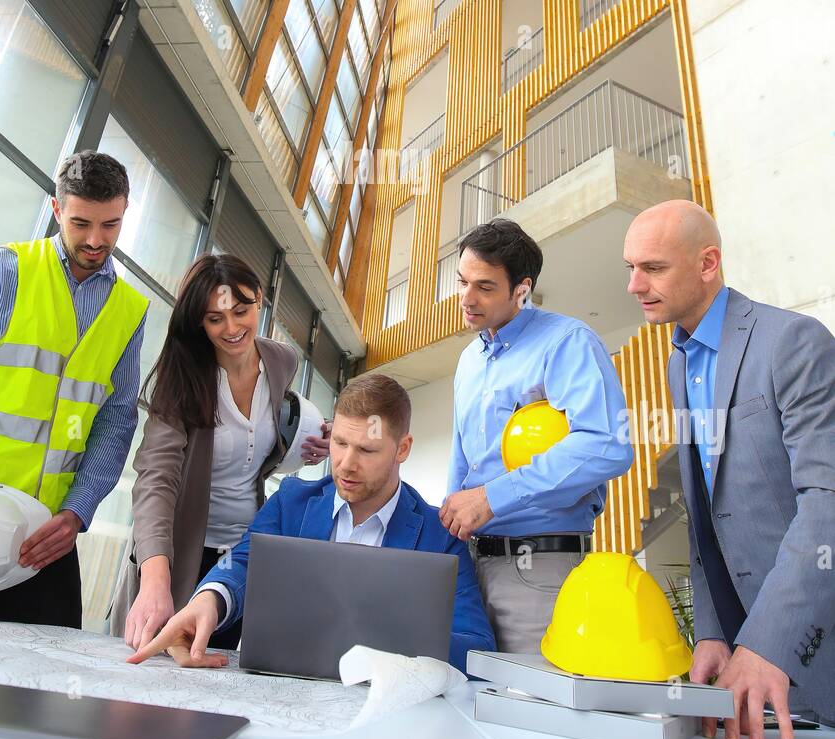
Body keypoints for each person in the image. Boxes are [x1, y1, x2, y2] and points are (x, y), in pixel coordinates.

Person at [624, 199, 835, 739]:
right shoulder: (678, 362)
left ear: (708, 263)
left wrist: (769, 642)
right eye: (630, 268)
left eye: (652, 268)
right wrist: (715, 632)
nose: (634, 285)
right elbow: (704, 516)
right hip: (751, 675)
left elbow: (826, 497)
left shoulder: (792, 341)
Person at [127, 372, 495, 674]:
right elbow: (241, 563)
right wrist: (210, 600)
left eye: (367, 450)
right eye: (339, 443)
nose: (346, 464)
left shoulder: (440, 534)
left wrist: (388, 642)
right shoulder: (291, 502)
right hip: (286, 700)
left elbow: (476, 647)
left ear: (402, 449)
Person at [0, 151, 147, 625]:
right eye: (81, 222)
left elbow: (116, 420)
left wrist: (79, 511)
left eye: (111, 225)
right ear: (57, 209)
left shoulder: (129, 310)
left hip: (46, 539)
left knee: (42, 691)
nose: (95, 240)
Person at [111, 252, 330, 652]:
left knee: (219, 677)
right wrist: (155, 580)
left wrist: (310, 442)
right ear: (199, 321)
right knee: (157, 679)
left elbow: (257, 443)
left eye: (241, 311)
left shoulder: (282, 361)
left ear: (259, 299)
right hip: (178, 553)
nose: (231, 328)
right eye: (215, 318)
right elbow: (156, 479)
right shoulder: (181, 378)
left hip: (241, 558)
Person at [440, 219, 632, 653]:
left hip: (538, 569)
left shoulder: (568, 342)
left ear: (521, 289)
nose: (467, 300)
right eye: (462, 282)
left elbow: (607, 445)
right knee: (462, 702)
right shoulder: (470, 360)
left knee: (528, 707)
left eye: (485, 287)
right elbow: (463, 455)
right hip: (470, 567)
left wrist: (492, 497)